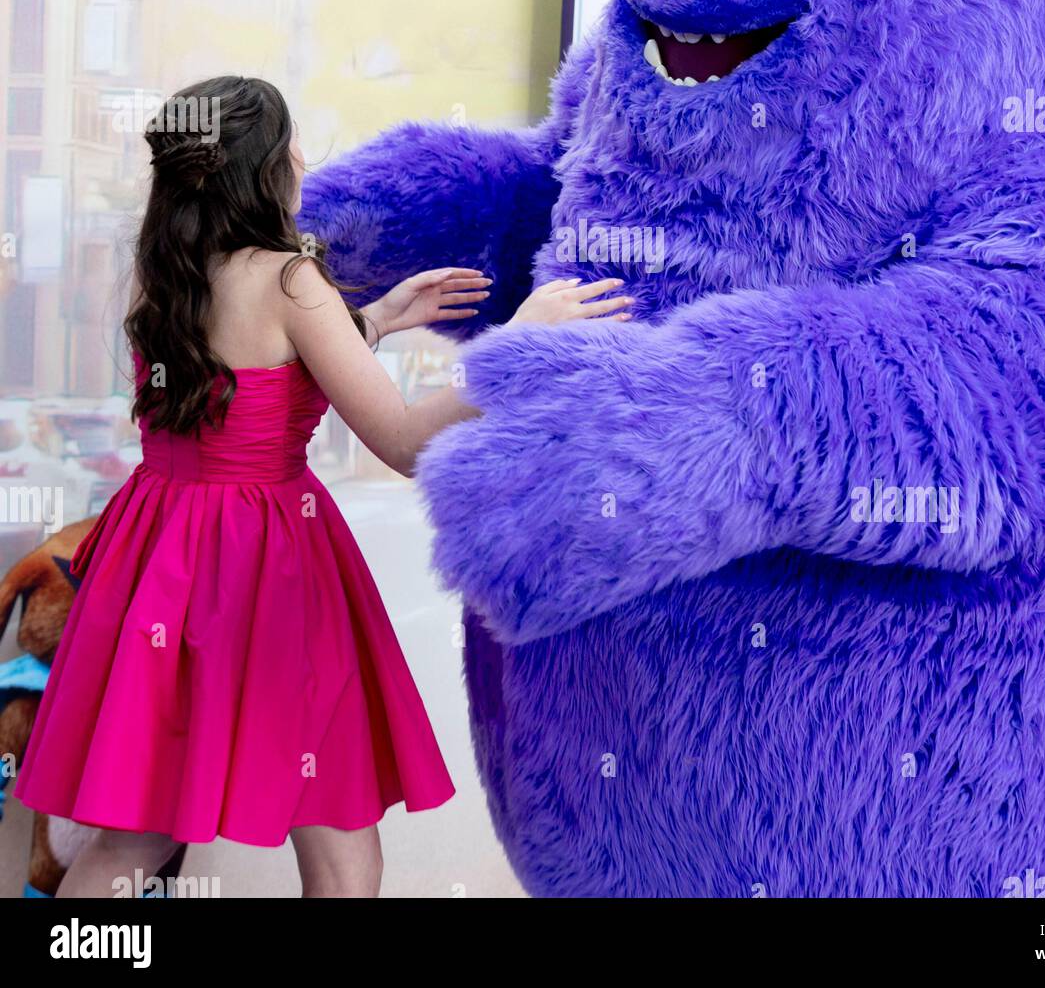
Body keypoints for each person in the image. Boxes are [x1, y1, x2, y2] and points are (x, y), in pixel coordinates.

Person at [15, 76, 631, 898]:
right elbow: (404, 441)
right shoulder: (292, 281)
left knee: (136, 836)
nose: (303, 154)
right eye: (290, 139)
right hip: (268, 566)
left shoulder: (165, 275)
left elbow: (247, 376)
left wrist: (372, 319)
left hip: (159, 554)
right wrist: (520, 339)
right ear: (265, 165)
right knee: (344, 855)